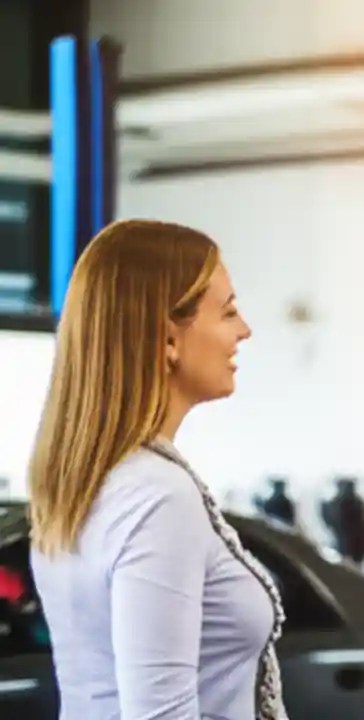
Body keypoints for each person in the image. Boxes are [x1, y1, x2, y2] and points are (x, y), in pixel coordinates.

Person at [27, 220, 289, 719]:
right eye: (227, 311)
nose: (244, 330)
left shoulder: (90, 483)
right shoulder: (158, 495)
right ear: (168, 337)